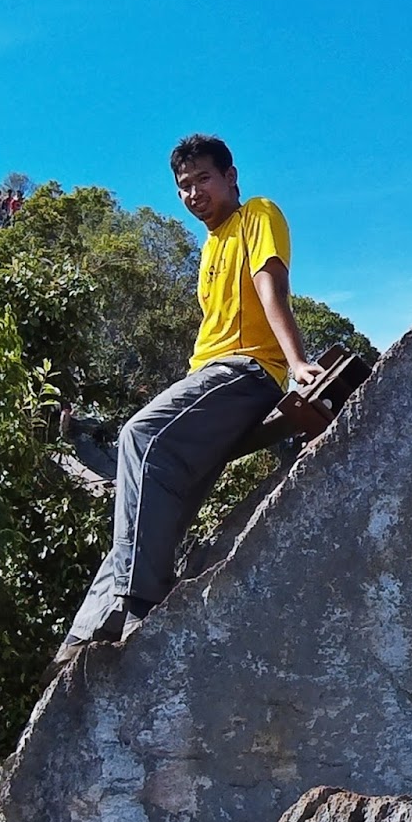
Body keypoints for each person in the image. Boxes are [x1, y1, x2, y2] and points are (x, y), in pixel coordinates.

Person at [55, 134, 322, 660]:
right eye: (183, 186)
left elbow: (271, 287)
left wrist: (295, 364)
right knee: (150, 493)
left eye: (203, 179)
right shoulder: (208, 248)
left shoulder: (258, 216)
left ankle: (136, 605)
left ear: (231, 178)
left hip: (247, 371)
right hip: (208, 378)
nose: (194, 192)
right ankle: (84, 634)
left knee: (141, 434)